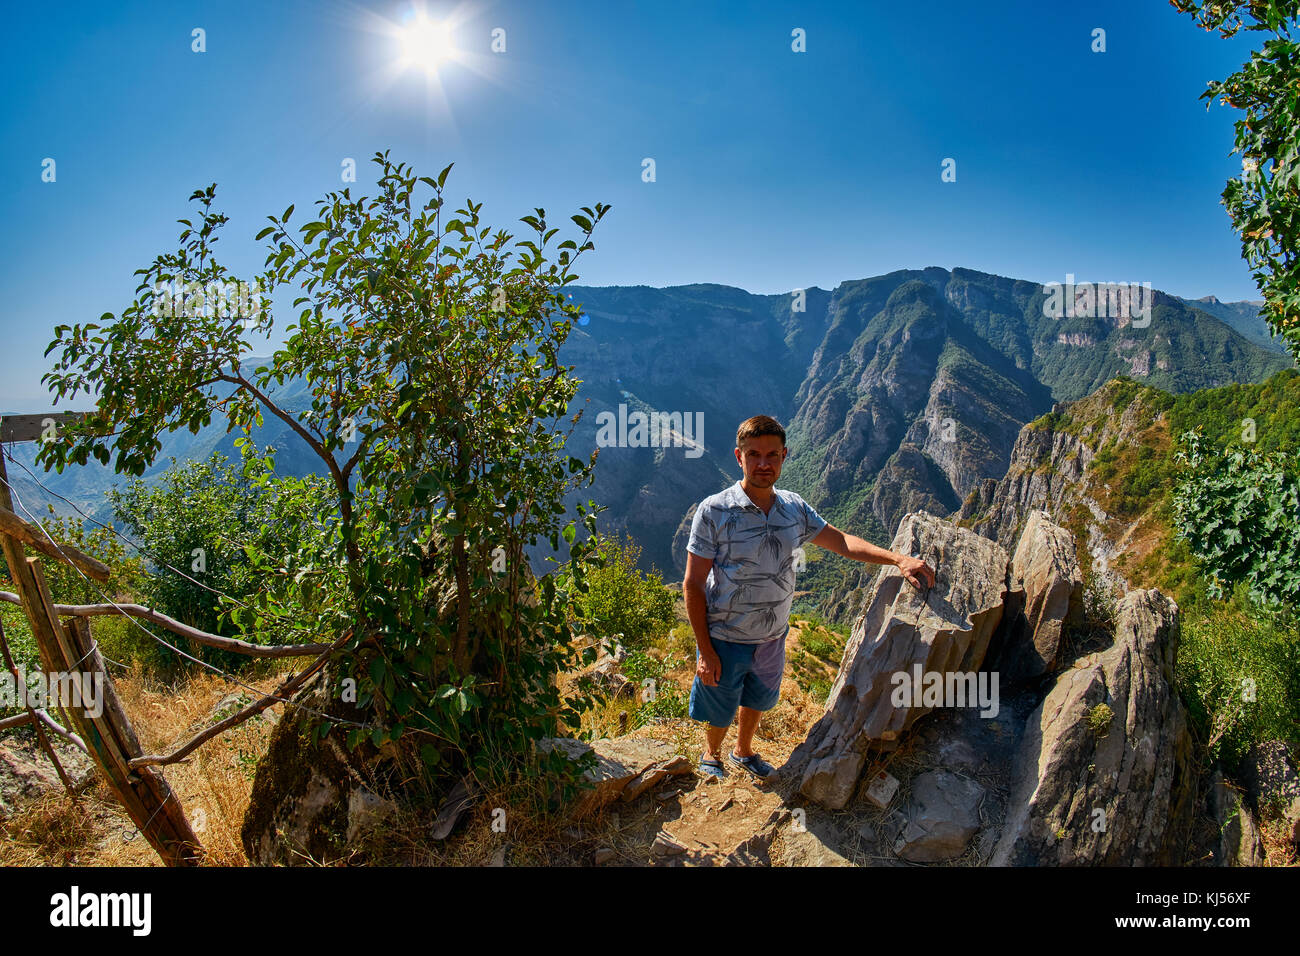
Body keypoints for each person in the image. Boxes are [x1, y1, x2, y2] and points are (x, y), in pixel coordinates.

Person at [682, 414, 936, 780]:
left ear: (785, 455)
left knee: (758, 698)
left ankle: (744, 751)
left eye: (772, 455)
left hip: (772, 635)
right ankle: (712, 754)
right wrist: (705, 650)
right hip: (725, 636)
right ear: (739, 457)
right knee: (720, 704)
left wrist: (898, 559)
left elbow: (843, 542)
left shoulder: (794, 508)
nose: (763, 464)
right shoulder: (714, 511)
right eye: (754, 454)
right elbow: (693, 584)